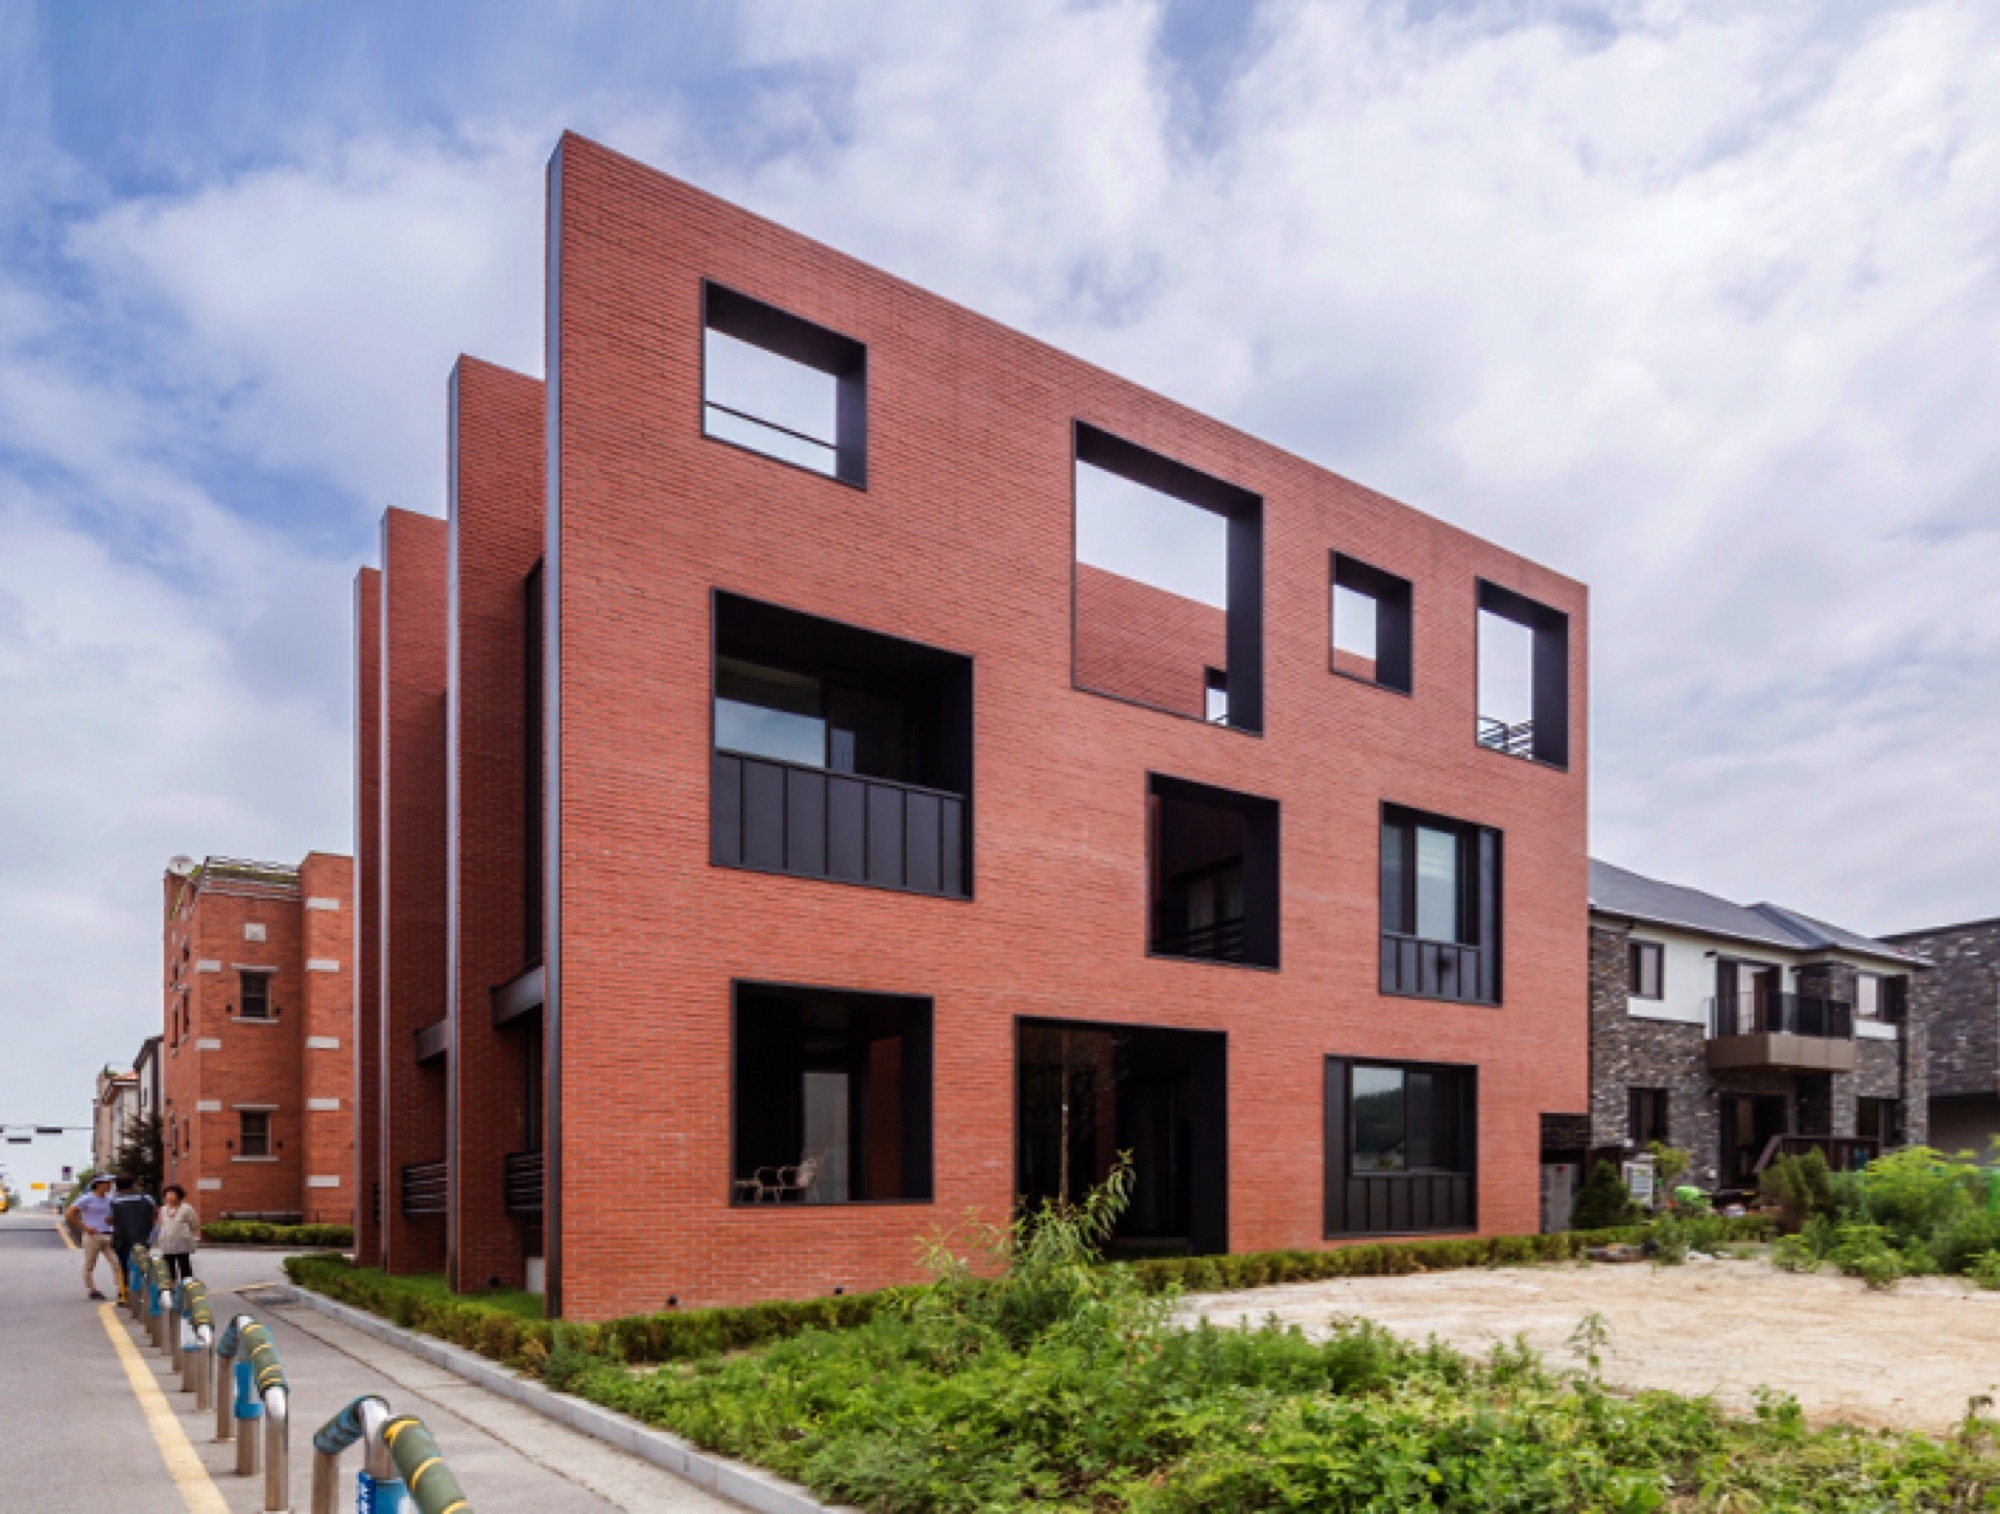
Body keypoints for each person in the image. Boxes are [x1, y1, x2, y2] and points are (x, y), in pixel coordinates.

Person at [63, 1173, 118, 1301]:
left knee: (116, 1263)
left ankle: (120, 1288)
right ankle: (92, 1289)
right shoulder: (86, 1199)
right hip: (92, 1236)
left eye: (110, 1183)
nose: (109, 1185)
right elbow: (69, 1214)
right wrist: (84, 1227)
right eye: (107, 1183)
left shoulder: (110, 1199)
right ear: (98, 1184)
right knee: (90, 1264)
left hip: (108, 1234)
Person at [109, 1174, 158, 1296]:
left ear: (117, 1186)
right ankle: (142, 1290)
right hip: (143, 1237)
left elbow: (109, 1219)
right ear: (133, 1184)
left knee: (124, 1265)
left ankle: (125, 1291)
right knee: (142, 1263)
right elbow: (155, 1214)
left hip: (122, 1238)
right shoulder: (147, 1199)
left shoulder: (114, 1201)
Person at [153, 1185, 199, 1282]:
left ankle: (187, 1285)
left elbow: (194, 1224)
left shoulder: (186, 1208)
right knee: (168, 1265)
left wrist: (187, 1233)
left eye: (172, 1194)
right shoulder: (163, 1209)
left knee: (184, 1264)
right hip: (167, 1241)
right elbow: (161, 1223)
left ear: (179, 1195)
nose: (169, 1196)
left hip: (182, 1241)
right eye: (167, 1194)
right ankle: (172, 1286)